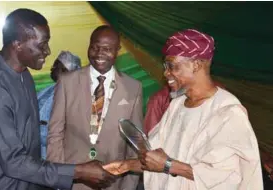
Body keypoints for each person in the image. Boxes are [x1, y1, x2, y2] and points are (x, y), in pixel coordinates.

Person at [0, 9, 116, 190]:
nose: (48, 51)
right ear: (18, 44)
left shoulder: (23, 74)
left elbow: (30, 147)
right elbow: (14, 161)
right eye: (42, 44)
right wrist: (79, 171)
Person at [105, 29, 263, 189]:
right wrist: (125, 165)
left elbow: (225, 177)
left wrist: (169, 165)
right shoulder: (177, 105)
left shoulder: (228, 112)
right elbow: (157, 160)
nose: (166, 73)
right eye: (165, 66)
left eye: (171, 65)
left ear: (196, 64)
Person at [47, 25, 142, 190]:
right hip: (73, 183)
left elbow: (134, 146)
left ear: (117, 50)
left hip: (113, 184)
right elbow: (55, 133)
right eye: (95, 47)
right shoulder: (67, 82)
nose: (99, 54)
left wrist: (128, 187)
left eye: (107, 49)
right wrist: (59, 179)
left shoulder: (133, 88)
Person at [38, 51, 81, 159]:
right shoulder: (47, 90)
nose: (52, 68)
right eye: (54, 64)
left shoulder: (75, 97)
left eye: (57, 66)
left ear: (68, 72)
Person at [144, 81, 225, 135]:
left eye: (175, 67)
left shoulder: (217, 92)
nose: (167, 73)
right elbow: (152, 136)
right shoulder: (160, 98)